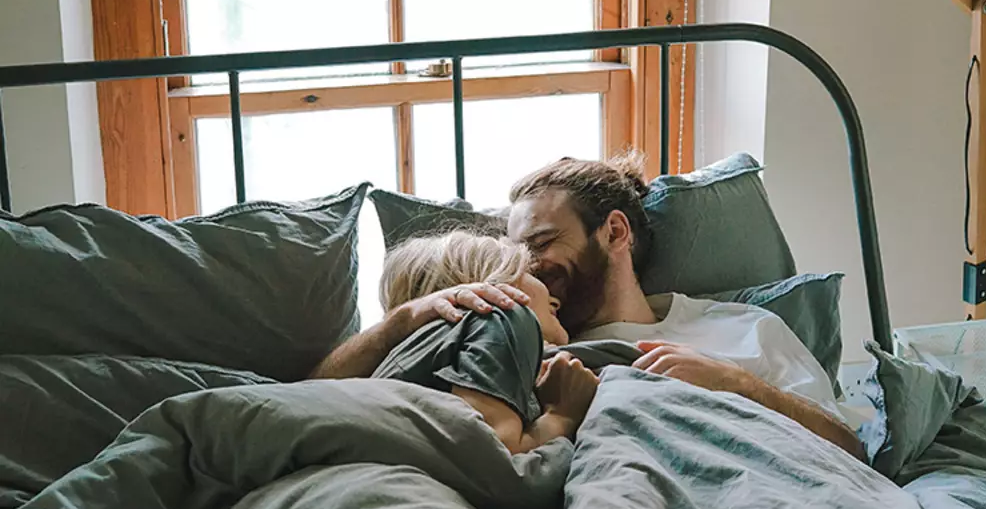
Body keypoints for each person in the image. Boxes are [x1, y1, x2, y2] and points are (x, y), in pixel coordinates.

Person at [505, 153, 865, 461]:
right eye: (517, 254)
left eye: (541, 243)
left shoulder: (745, 328)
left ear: (615, 232)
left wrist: (737, 384)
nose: (527, 266)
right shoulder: (524, 345)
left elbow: (852, 450)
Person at [313, 230, 598, 455]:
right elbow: (498, 459)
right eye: (530, 274)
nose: (555, 298)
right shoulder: (499, 318)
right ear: (492, 282)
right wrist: (563, 416)